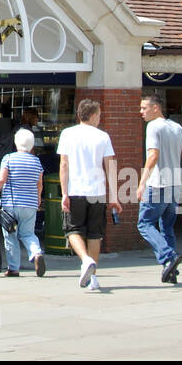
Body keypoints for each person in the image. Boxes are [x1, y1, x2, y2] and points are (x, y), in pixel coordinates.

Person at [56, 99, 120, 292]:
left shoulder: (67, 134)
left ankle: (85, 261)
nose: (100, 118)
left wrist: (64, 192)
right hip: (97, 192)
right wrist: (114, 196)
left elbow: (64, 165)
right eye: (99, 115)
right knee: (95, 234)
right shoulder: (103, 136)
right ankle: (93, 279)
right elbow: (110, 166)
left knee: (72, 229)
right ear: (92, 116)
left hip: (76, 190)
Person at [135, 94, 182, 284]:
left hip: (158, 184)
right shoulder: (176, 127)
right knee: (167, 227)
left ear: (156, 108)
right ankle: (170, 270)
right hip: (175, 185)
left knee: (144, 224)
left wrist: (141, 182)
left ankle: (168, 256)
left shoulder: (153, 126)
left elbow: (153, 155)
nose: (141, 112)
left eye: (144, 108)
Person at [0, 128, 46, 277]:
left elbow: (1, 179)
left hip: (11, 205)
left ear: (16, 142)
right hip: (30, 205)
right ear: (32, 145)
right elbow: (39, 184)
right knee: (28, 234)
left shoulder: (9, 158)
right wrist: (38, 198)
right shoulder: (37, 161)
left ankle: (13, 268)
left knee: (10, 236)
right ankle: (36, 253)